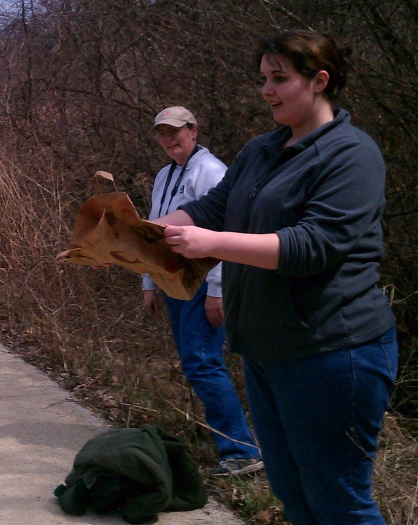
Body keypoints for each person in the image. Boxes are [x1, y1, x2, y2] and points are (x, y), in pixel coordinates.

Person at [154, 32, 397, 525]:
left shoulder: (351, 154)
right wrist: (142, 233)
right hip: (267, 350)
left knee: (339, 500)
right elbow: (211, 208)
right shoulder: (260, 150)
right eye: (263, 78)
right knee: (293, 493)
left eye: (280, 79)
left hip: (333, 354)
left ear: (319, 81)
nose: (266, 90)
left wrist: (212, 244)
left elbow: (313, 246)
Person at [143, 105, 262, 477]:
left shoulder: (211, 170)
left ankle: (241, 450)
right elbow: (151, 234)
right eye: (162, 133)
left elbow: (226, 229)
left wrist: (217, 289)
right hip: (173, 282)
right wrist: (149, 283)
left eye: (175, 131)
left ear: (194, 130)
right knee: (195, 362)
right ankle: (225, 440)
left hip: (202, 281)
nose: (168, 139)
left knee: (201, 361)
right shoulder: (164, 175)